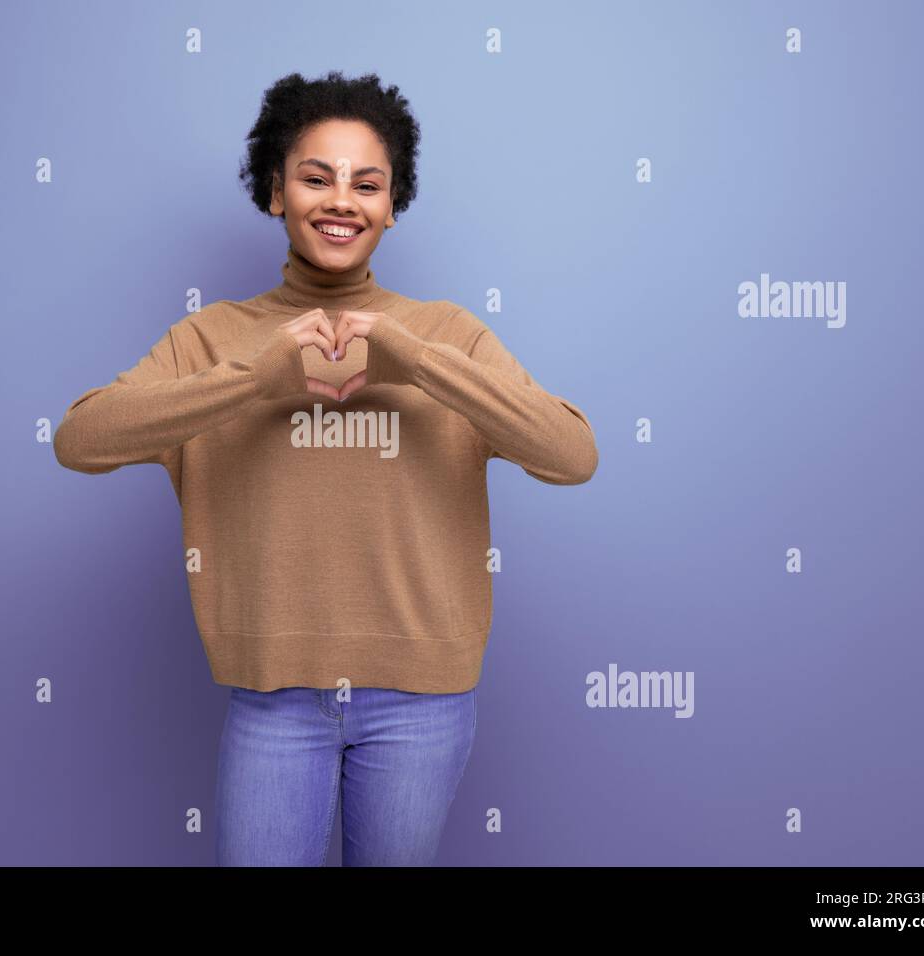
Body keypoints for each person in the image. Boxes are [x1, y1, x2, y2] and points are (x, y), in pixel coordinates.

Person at [54, 71, 598, 866]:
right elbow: (80, 439)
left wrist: (410, 358)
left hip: (422, 702)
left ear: (391, 205)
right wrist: (255, 380)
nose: (341, 199)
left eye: (366, 184)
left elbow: (571, 454)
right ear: (276, 192)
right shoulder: (213, 337)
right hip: (274, 700)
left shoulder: (446, 333)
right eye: (316, 177)